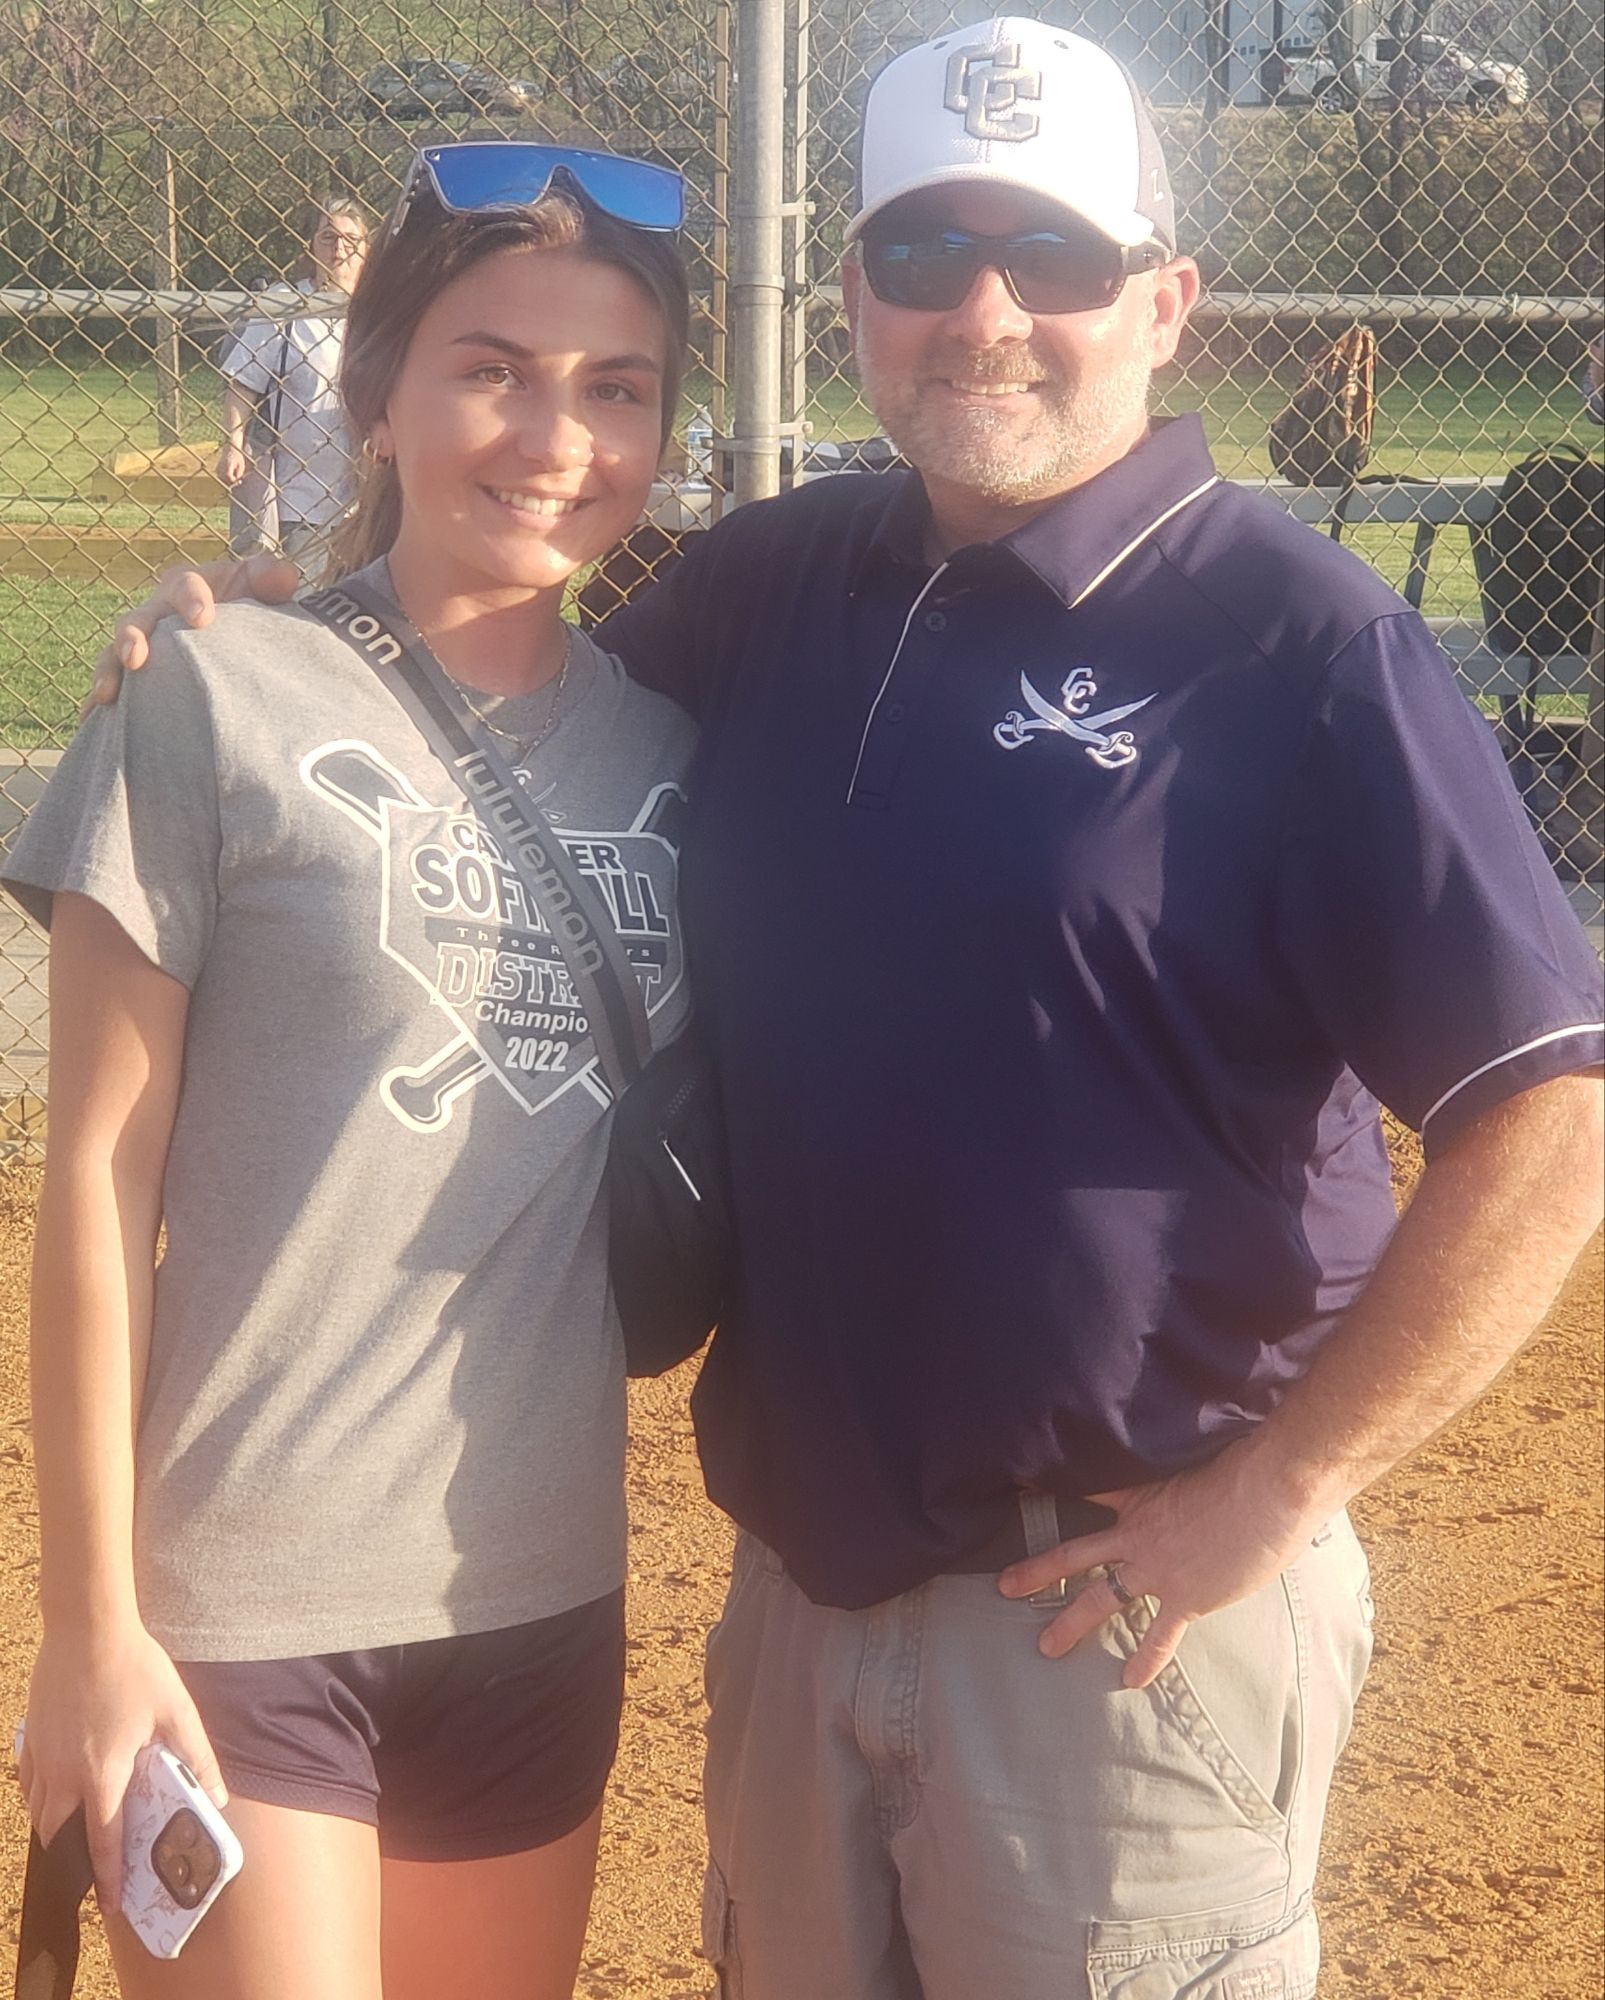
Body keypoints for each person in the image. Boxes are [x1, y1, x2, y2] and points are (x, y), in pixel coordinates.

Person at [91, 19, 1605, 1999]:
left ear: (1164, 300)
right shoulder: (777, 585)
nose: (984, 309)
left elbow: (1545, 1110)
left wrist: (1279, 1491)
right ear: (851, 297)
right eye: (922, 252)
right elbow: (486, 688)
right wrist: (260, 630)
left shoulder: (1298, 645)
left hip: (1118, 1627)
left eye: (1049, 255)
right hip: (800, 1601)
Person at [6, 143, 695, 2000]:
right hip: (243, 1608)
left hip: (537, 1596)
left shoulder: (680, 755)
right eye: (490, 368)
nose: (553, 437)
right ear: (374, 390)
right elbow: (95, 1181)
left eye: (613, 389)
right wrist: (88, 1625)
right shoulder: (210, 692)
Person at [215, 196, 370, 572]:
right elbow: (244, 382)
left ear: (367, 248)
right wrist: (233, 446)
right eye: (328, 237)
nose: (339, 248)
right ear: (311, 245)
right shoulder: (285, 304)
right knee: (305, 609)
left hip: (368, 498)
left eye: (351, 239)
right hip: (300, 496)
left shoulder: (381, 310)